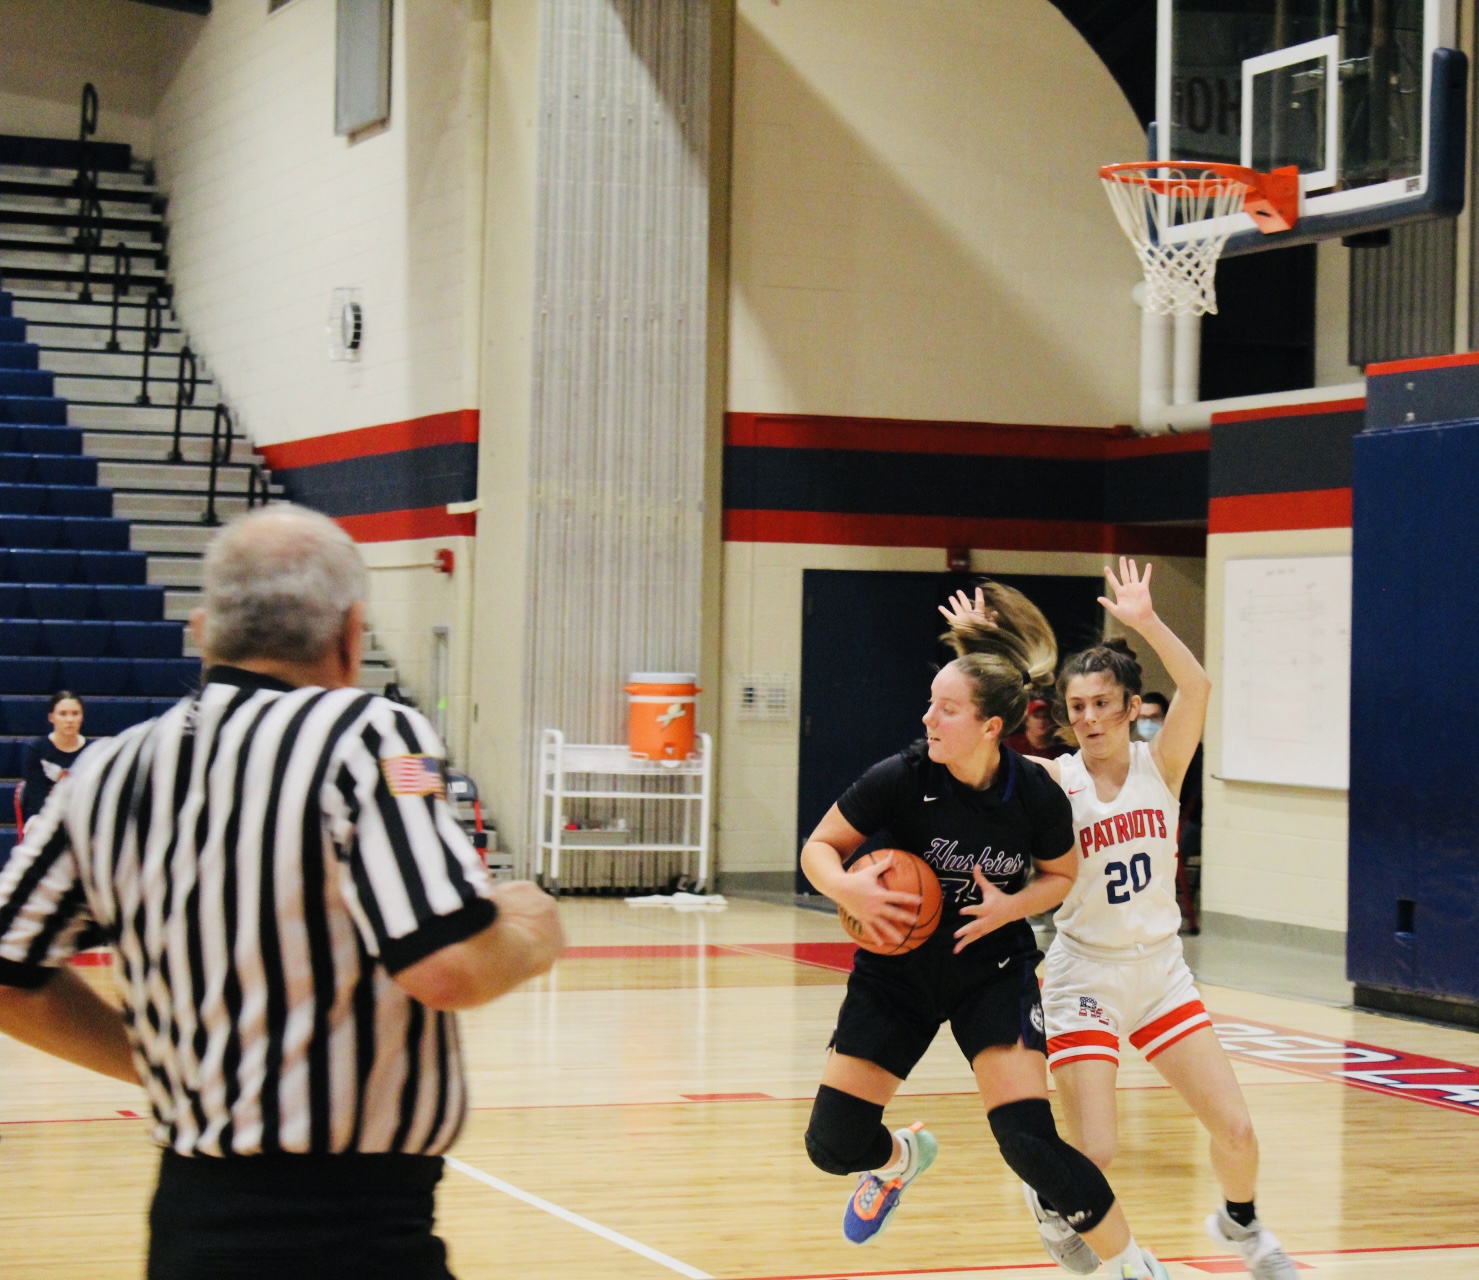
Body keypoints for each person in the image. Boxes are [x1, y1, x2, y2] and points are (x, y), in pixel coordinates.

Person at [0, 506, 566, 1280]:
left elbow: (8, 974)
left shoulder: (107, 769)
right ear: (350, 632)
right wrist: (530, 923)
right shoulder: (369, 733)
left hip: (187, 1218)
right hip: (350, 1230)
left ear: (203, 631)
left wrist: (161, 1065)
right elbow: (445, 964)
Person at [801, 582, 1171, 1280]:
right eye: (931, 706)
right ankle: (900, 1160)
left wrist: (1011, 907)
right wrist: (845, 884)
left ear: (989, 726)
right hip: (898, 976)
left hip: (990, 973)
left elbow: (1059, 876)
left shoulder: (1033, 794)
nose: (927, 719)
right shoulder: (903, 777)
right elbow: (817, 848)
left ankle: (1134, 1267)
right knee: (832, 1143)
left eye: (945, 710)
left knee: (1028, 1143)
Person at [943, 561, 1293, 1280]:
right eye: (1078, 706)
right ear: (1065, 715)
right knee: (1093, 1153)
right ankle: (1048, 1199)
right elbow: (976, 744)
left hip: (1161, 972)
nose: (1091, 717)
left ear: (1131, 708)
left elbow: (1195, 687)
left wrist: (1146, 621)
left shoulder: (1159, 764)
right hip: (1085, 975)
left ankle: (1239, 1222)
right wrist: (967, 650)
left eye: (1104, 702)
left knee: (1235, 1129)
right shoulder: (1052, 781)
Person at [19, 691, 87, 831]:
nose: (69, 720)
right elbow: (36, 796)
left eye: (75, 714)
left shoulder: (92, 750)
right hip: (44, 816)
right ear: (51, 717)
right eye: (63, 714)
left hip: (82, 815)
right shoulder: (36, 749)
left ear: (82, 717)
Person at [1002, 695, 1073, 759]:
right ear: (1026, 720)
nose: (1041, 721)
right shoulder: (1010, 745)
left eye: (1045, 717)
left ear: (1052, 721)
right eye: (1036, 717)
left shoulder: (1063, 750)